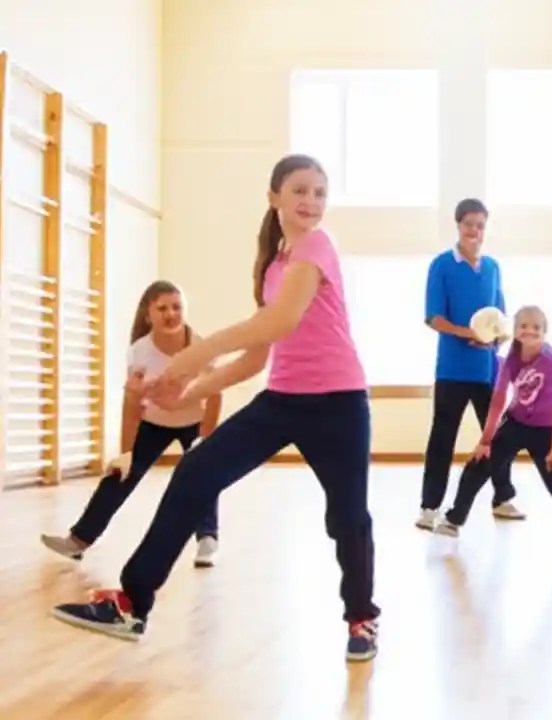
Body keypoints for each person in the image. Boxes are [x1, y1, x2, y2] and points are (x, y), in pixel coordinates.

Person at [50, 154, 381, 663]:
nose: (311, 201)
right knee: (195, 473)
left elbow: (277, 324)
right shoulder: (275, 266)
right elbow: (257, 357)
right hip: (283, 401)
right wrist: (189, 390)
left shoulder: (319, 245)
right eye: (299, 190)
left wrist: (187, 360)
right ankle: (132, 602)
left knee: (347, 516)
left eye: (319, 191)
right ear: (273, 198)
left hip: (340, 404)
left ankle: (361, 617)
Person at [40, 281, 223, 568]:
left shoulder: (199, 347)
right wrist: (126, 453)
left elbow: (215, 393)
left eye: (176, 307)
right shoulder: (140, 351)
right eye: (162, 308)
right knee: (119, 476)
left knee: (202, 474)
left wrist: (206, 440)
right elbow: (132, 404)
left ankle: (207, 540)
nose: (170, 314)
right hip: (154, 422)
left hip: (192, 421)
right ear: (148, 315)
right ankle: (79, 540)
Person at [434, 306, 552, 557]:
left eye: (536, 327)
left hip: (544, 428)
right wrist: (485, 440)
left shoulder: (551, 362)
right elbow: (498, 397)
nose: (529, 331)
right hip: (515, 422)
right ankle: (454, 519)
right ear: (515, 330)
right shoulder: (512, 356)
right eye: (523, 326)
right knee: (479, 463)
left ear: (545, 333)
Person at [418, 198, 524, 530]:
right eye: (468, 224)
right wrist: (469, 333)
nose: (474, 231)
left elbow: (501, 318)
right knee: (443, 437)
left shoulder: (493, 267)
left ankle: (502, 497)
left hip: (488, 370)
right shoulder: (442, 265)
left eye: (480, 225)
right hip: (452, 369)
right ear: (458, 225)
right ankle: (429, 507)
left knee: (497, 436)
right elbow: (434, 318)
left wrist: (497, 339)